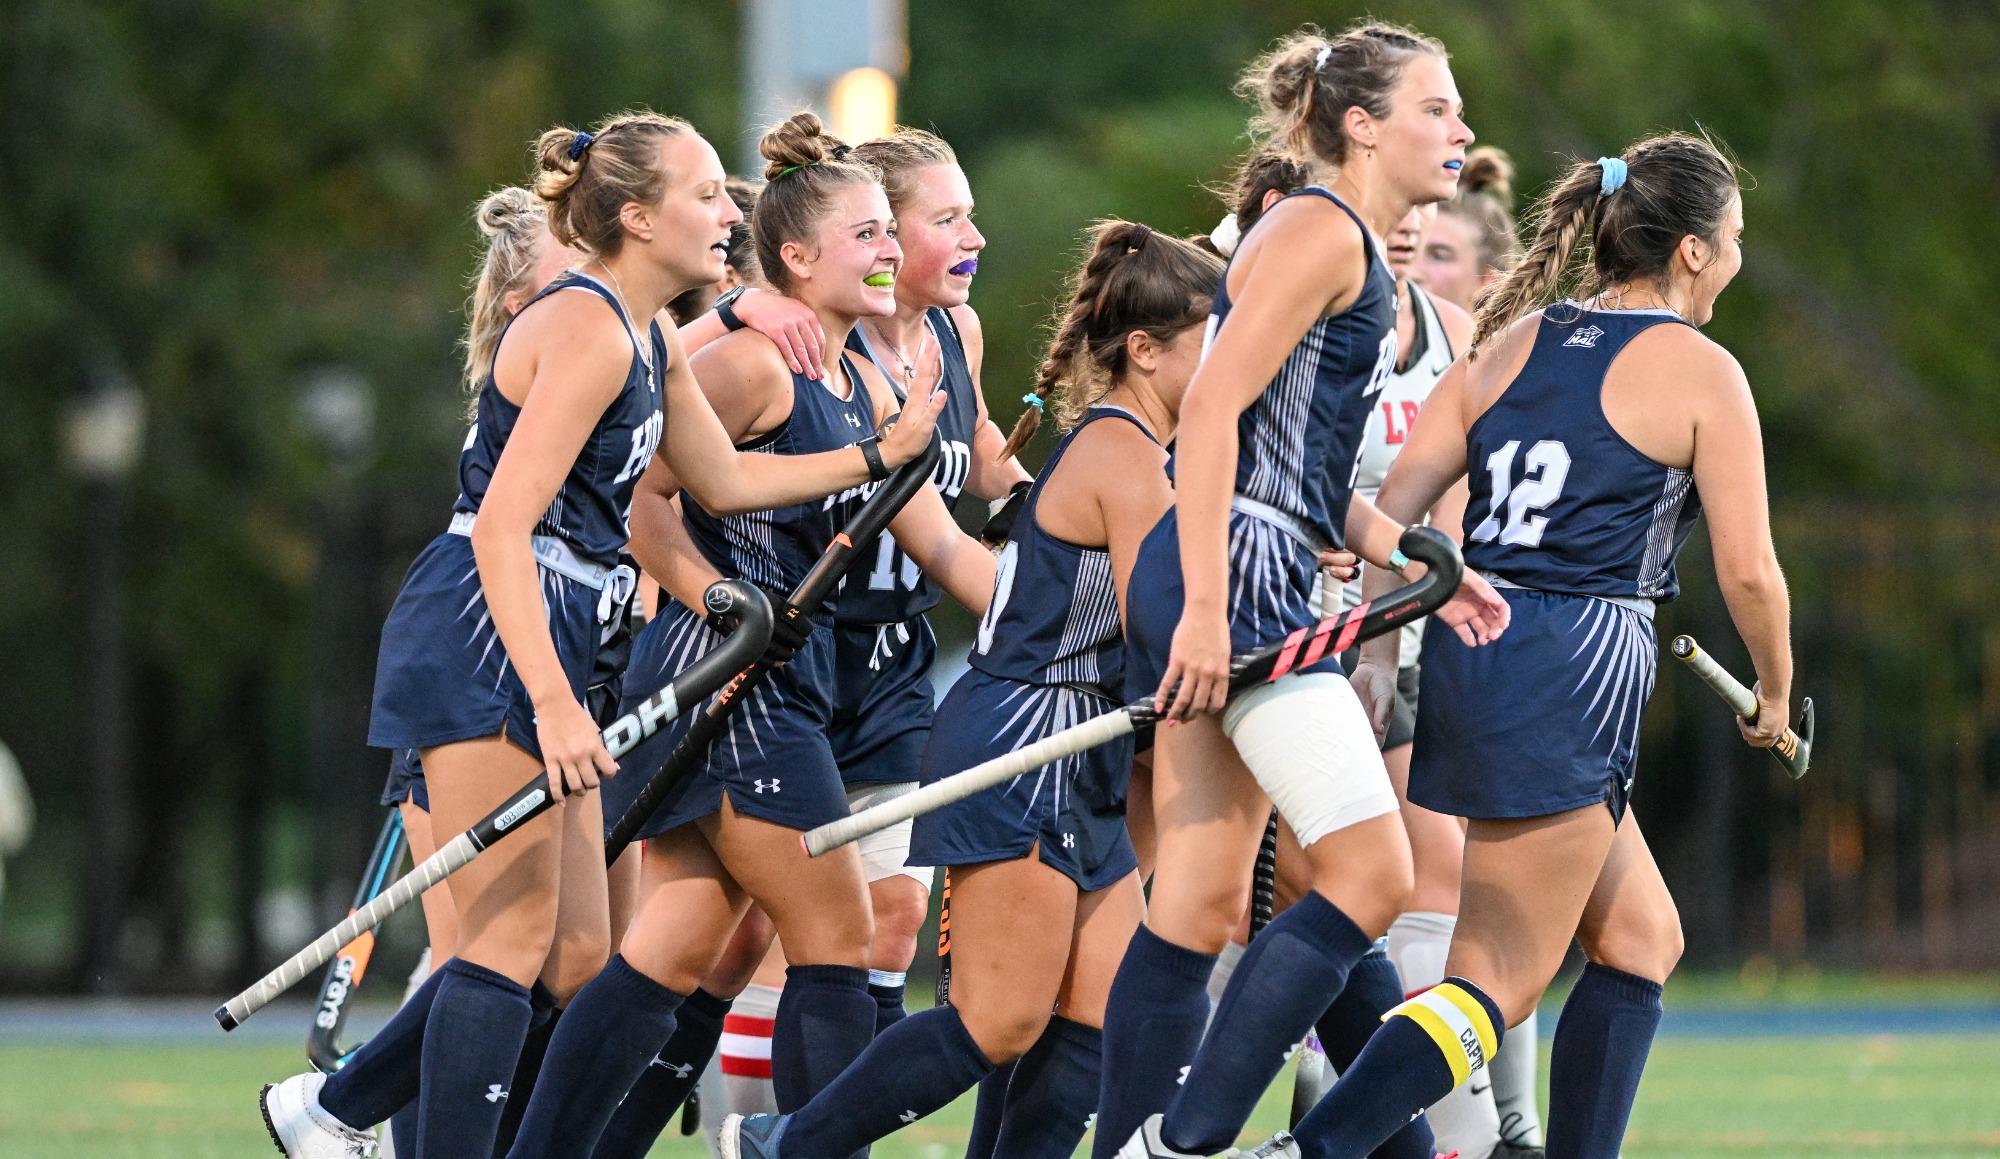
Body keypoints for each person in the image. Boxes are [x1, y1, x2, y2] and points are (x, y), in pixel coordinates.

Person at [258, 109, 944, 1159]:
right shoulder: (583, 325)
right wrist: (549, 698)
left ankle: (336, 1110)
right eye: (707, 194)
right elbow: (501, 527)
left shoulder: (651, 332)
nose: (731, 213)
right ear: (634, 216)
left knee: (580, 953)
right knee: (504, 941)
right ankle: (356, 1121)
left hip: (557, 619)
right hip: (493, 621)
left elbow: (725, 479)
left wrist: (875, 455)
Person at [1261, 132, 1785, 1159]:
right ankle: (1311, 1151)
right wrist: (1772, 687)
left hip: (1477, 645)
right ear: (1689, 251)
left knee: (1640, 938)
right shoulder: (1700, 370)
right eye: (1731, 239)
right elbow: (1749, 573)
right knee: (1492, 980)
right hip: (1577, 656)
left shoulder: (1509, 341)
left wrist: (1371, 659)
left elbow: (1392, 512)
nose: (1733, 258)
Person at [495, 112, 994, 1159]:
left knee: (670, 948)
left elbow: (946, 544)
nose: (890, 255)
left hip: (781, 674)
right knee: (838, 938)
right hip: (730, 676)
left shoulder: (873, 381)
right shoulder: (756, 362)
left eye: (887, 237)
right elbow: (643, 491)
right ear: (799, 255)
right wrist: (718, 595)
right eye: (870, 235)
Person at [722, 221, 1225, 1159]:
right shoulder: (1121, 454)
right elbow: (1163, 626)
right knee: (999, 1019)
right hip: (1024, 743)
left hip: (1084, 747)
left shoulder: (1158, 453)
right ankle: (785, 1140)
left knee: (1095, 1015)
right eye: (1217, 343)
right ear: (1146, 351)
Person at [1098, 23, 1510, 1159]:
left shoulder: (1342, 242)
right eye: (1437, 108)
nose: (1460, 131)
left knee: (1194, 901)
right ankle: (1182, 1147)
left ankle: (1144, 1148)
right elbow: (1213, 408)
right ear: (1364, 125)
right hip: (1240, 580)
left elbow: (1298, 457)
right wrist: (1199, 605)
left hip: (1253, 563)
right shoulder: (1323, 228)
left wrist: (1417, 553)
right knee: (1374, 871)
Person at [835, 126, 1033, 1031]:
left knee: (895, 914)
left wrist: (1042, 500)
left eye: (974, 215)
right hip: (800, 652)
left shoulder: (957, 328)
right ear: (877, 234)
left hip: (896, 658)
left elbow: (980, 447)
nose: (975, 238)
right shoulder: (821, 340)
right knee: (736, 940)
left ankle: (821, 1132)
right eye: (947, 218)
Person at [1413, 146, 1520, 313]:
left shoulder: (1525, 337)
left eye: (1439, 256)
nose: (1412, 272)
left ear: (1488, 282)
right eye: (1406, 249)